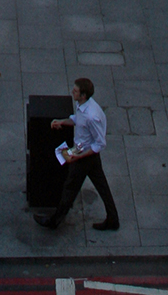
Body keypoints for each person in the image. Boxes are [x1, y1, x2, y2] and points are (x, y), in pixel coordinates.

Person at [35, 76, 120, 234]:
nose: (72, 92)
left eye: (75, 91)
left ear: (83, 95)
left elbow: (100, 143)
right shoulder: (82, 106)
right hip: (85, 153)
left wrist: (78, 157)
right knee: (102, 187)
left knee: (70, 188)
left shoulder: (92, 116)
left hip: (84, 156)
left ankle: (54, 221)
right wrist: (62, 121)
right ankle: (113, 219)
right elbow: (77, 120)